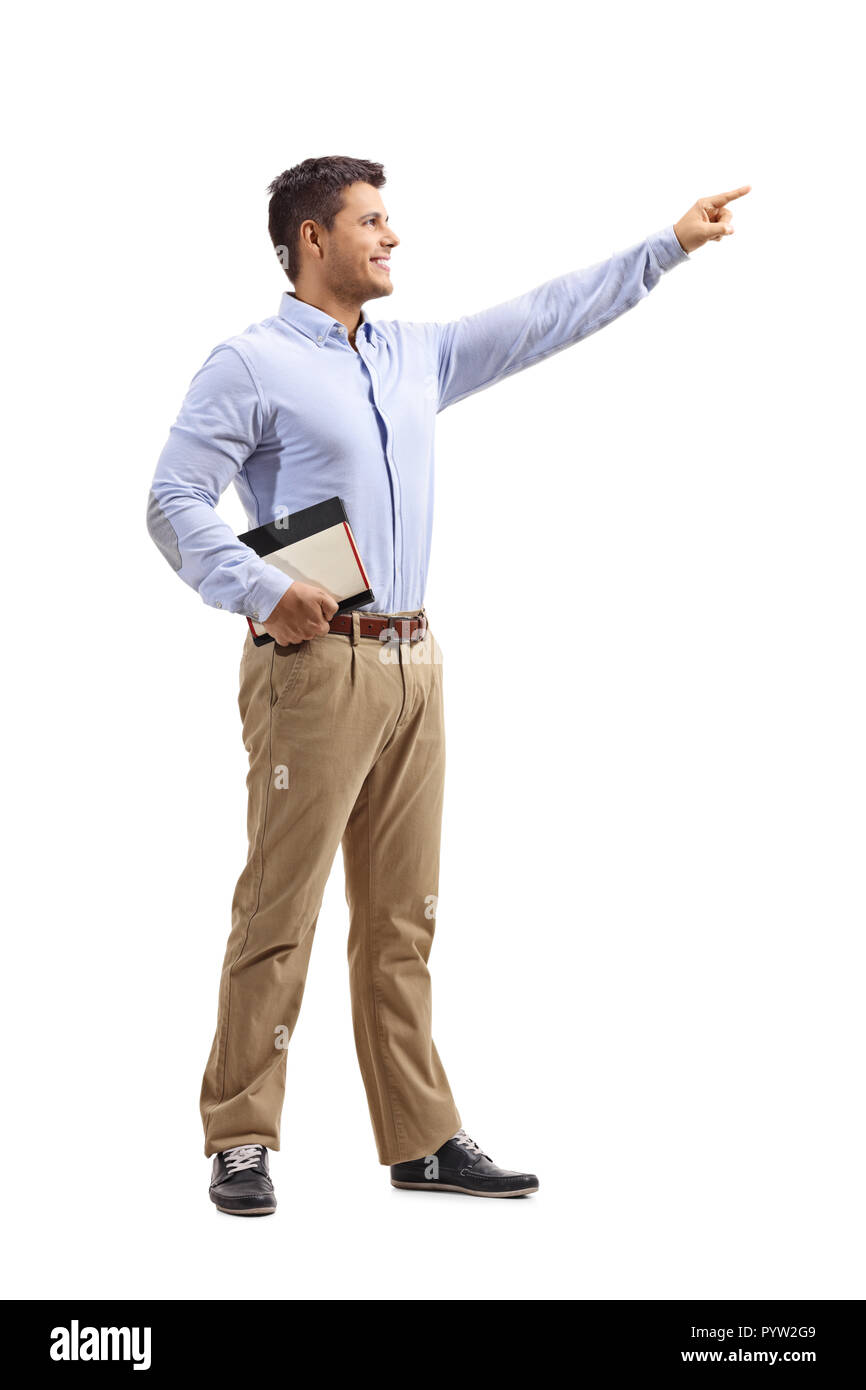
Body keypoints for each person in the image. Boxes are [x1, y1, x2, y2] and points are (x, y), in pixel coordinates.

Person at [147, 155, 749, 1213]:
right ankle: (240, 1136)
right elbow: (172, 498)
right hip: (314, 668)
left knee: (403, 917)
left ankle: (420, 1138)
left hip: (416, 659)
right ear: (311, 241)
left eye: (390, 221)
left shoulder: (413, 354)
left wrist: (665, 246)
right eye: (371, 222)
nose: (391, 239)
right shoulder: (247, 364)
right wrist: (254, 587)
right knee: (277, 908)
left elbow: (539, 317)